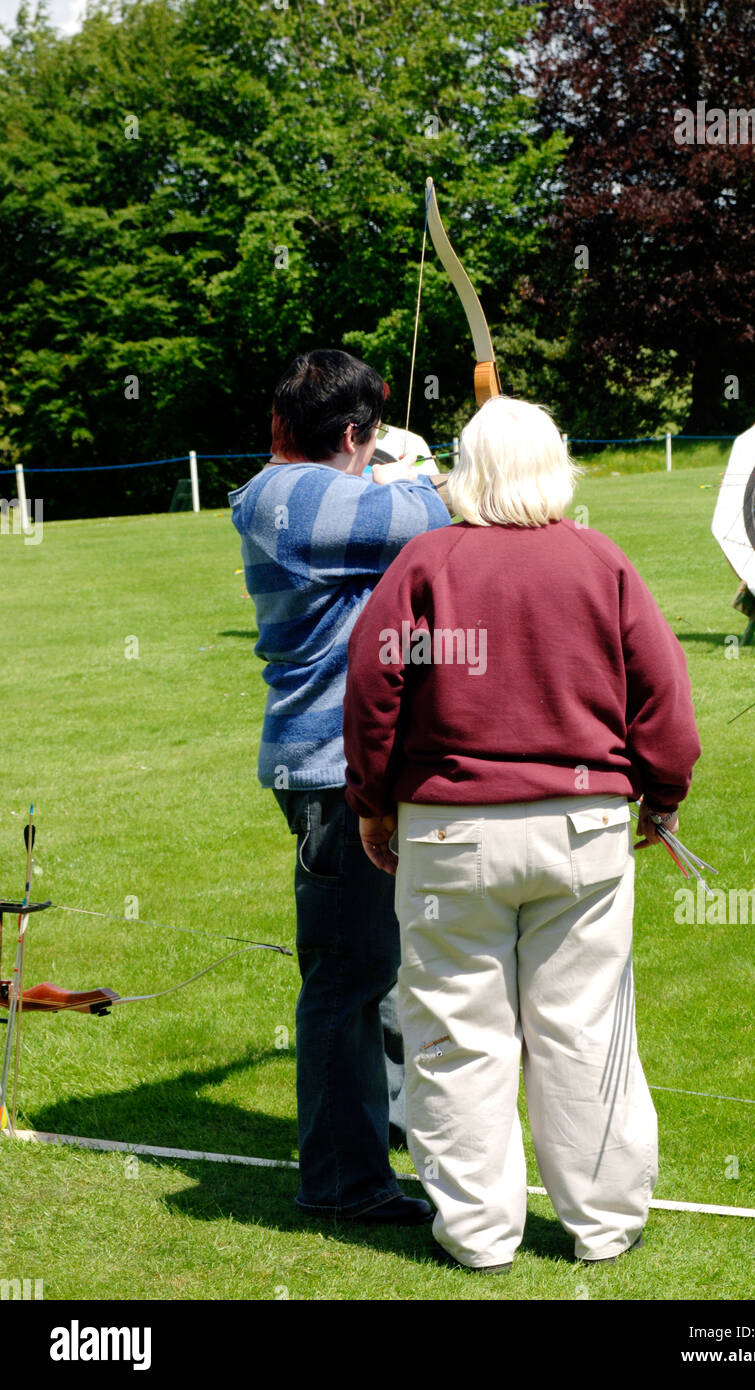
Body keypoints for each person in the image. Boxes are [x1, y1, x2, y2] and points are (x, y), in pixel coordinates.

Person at [342, 395, 701, 1267]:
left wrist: (374, 803)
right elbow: (664, 694)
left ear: (467, 473)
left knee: (459, 1035)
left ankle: (477, 1233)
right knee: (583, 1029)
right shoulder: (598, 560)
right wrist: (662, 793)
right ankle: (604, 1223)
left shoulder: (428, 562)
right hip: (579, 828)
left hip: (452, 829)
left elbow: (372, 692)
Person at [228, 348, 452, 1222]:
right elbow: (433, 519)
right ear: (353, 434)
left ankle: (380, 1130)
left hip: (344, 763)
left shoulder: (314, 488)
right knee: (348, 976)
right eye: (369, 439)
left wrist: (394, 463)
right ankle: (342, 1182)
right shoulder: (293, 496)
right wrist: (427, 466)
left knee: (379, 967)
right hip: (333, 771)